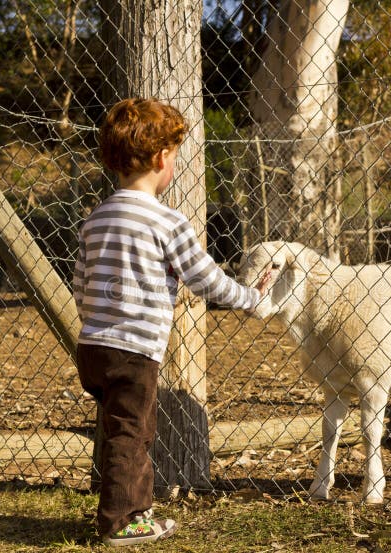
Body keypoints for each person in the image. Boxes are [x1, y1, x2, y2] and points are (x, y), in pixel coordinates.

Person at [73, 98, 270, 547]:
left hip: (93, 347)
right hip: (134, 350)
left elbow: (81, 284)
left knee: (122, 429)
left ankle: (135, 510)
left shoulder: (96, 218)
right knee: (133, 434)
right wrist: (248, 297)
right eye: (176, 155)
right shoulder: (167, 222)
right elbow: (205, 279)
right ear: (163, 159)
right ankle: (121, 521)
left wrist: (96, 323)